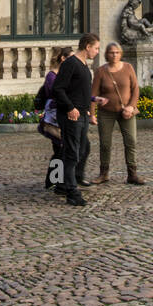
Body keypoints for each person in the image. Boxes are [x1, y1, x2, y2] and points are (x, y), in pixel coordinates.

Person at [51, 33, 100, 205]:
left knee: (83, 148)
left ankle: (64, 183)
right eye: (96, 48)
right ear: (87, 46)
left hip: (82, 115)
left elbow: (80, 90)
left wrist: (87, 107)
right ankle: (72, 192)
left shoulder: (84, 65)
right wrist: (70, 107)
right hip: (71, 116)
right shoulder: (71, 64)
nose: (97, 51)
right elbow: (58, 89)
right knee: (72, 152)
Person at [90, 42, 145, 185]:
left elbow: (135, 89)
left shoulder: (128, 68)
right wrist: (92, 114)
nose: (114, 55)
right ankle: (104, 173)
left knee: (131, 141)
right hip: (106, 113)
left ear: (121, 54)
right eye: (111, 52)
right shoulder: (101, 71)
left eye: (117, 52)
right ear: (106, 54)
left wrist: (131, 107)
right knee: (105, 143)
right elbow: (93, 94)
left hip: (126, 112)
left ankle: (132, 173)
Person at [36, 46, 72, 187]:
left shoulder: (64, 74)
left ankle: (55, 179)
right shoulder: (52, 76)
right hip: (53, 118)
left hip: (61, 116)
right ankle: (55, 179)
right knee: (59, 148)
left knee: (62, 148)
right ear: (63, 58)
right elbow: (56, 94)